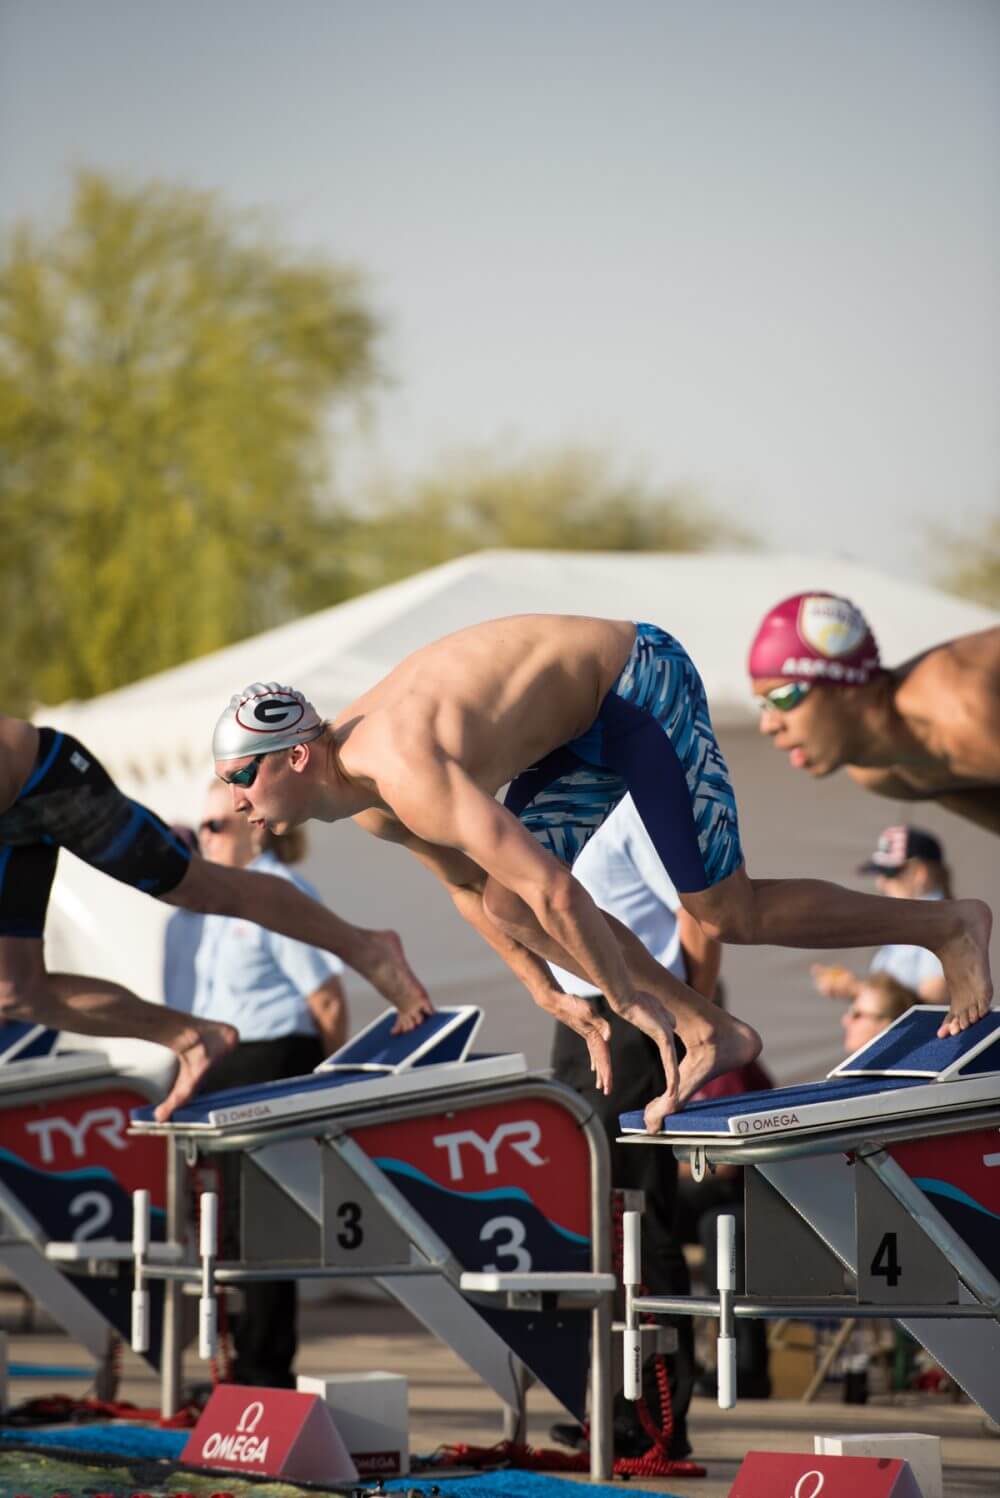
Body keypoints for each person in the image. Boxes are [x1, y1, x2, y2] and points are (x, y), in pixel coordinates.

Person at [211, 628, 993, 1130]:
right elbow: (471, 891)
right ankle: (711, 1030)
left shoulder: (400, 770)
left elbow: (556, 889)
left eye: (241, 778)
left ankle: (946, 926)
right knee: (501, 894)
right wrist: (543, 989)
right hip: (575, 727)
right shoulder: (368, 802)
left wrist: (621, 1001)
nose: (234, 800)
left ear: (297, 757)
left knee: (725, 911)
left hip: (638, 686)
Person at [0, 713, 429, 1121]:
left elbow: (326, 1001)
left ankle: (368, 950)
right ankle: (190, 1037)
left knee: (201, 889)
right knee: (13, 990)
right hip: (9, 820)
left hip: (45, 777)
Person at [544, 795, 721, 1460]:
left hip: (642, 1022)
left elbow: (700, 915)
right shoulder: (540, 802)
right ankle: (609, 1408)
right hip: (580, 1020)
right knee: (592, 1224)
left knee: (638, 1221)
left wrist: (694, 1014)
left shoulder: (627, 807)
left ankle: (655, 1421)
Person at [163, 788, 348, 1388]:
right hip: (215, 1071)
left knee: (264, 1227)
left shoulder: (280, 895)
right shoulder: (192, 915)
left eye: (215, 825)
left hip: (273, 1063)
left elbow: (325, 999)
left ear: (257, 830)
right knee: (222, 1229)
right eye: (201, 827)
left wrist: (332, 1087)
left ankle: (264, 1370)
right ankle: (234, 1364)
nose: (204, 836)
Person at [748, 591, 1000, 837]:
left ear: (844, 688)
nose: (768, 725)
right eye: (763, 705)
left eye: (783, 697)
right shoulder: (882, 773)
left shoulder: (965, 707)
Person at [812, 825, 950, 1006]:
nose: (880, 884)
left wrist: (857, 989)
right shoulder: (917, 921)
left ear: (918, 873)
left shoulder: (937, 921)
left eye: (889, 874)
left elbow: (933, 1001)